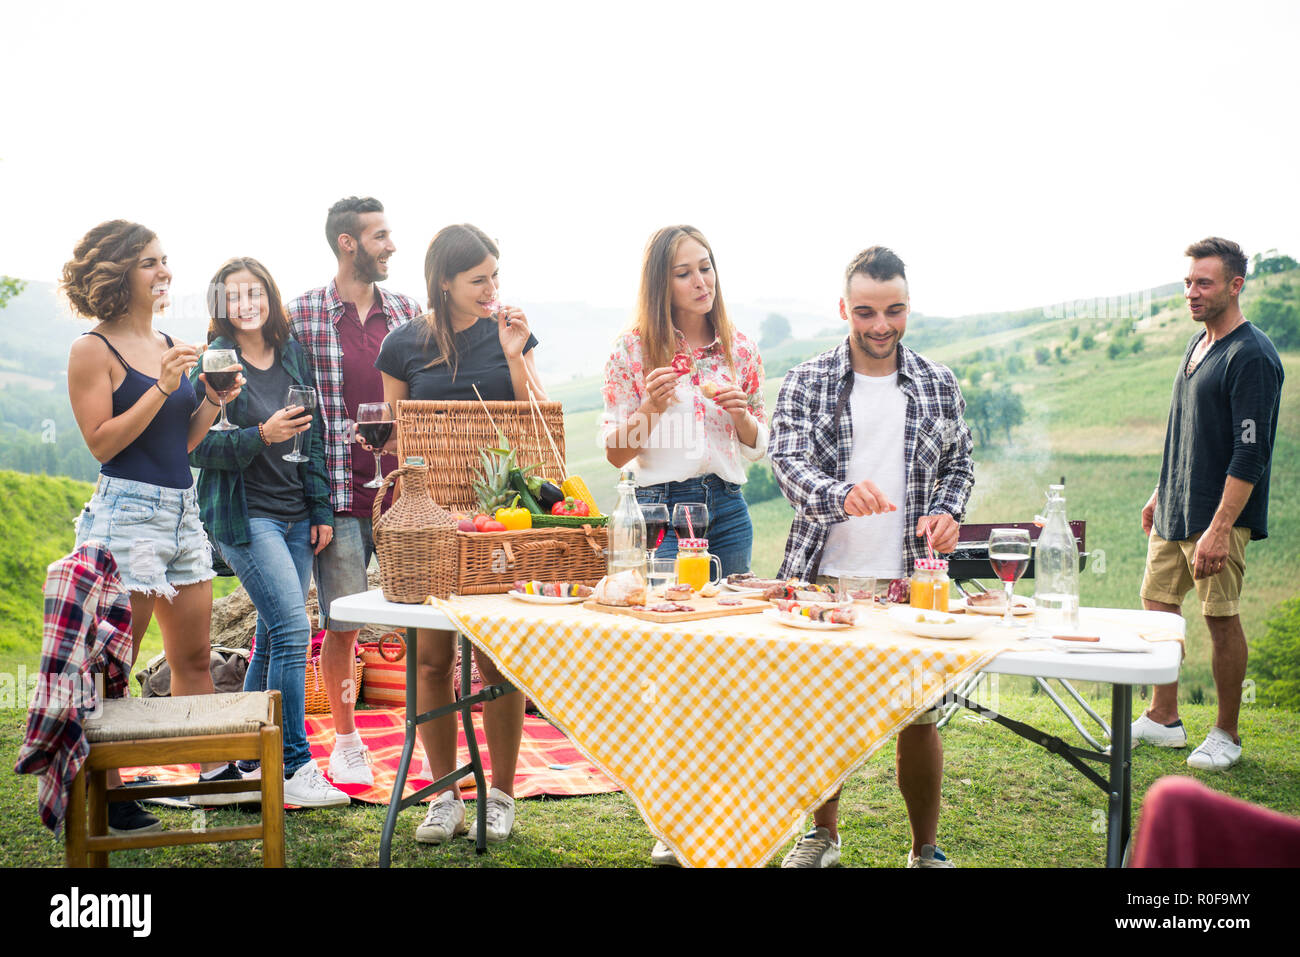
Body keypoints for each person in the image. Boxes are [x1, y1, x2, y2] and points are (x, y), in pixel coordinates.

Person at [769, 245, 974, 868]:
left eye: (894, 311)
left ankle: (924, 849)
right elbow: (785, 462)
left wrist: (948, 512)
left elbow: (960, 463)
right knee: (819, 711)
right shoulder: (807, 380)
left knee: (918, 717)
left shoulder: (939, 382)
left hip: (911, 579)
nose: (880, 325)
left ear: (908, 306)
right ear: (844, 309)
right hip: (823, 572)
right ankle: (823, 836)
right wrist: (839, 494)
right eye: (865, 312)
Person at [62, 220, 241, 834]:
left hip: (181, 511)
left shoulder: (169, 338)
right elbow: (102, 442)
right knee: (115, 662)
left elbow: (182, 442)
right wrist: (164, 384)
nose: (164, 272)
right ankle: (110, 792)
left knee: (192, 653)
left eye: (164, 261)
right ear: (116, 274)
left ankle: (215, 776)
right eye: (148, 263)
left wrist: (212, 400)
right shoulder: (93, 350)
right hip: (126, 514)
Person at [376, 223, 543, 845]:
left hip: (500, 516)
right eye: (479, 280)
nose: (492, 289)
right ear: (443, 282)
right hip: (425, 520)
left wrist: (512, 353)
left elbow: (535, 423)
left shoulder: (511, 335)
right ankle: (443, 795)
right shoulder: (402, 344)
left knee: (499, 660)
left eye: (495, 277)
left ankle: (500, 794)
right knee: (430, 660)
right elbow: (391, 431)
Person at [190, 257, 349, 807]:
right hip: (243, 516)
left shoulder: (292, 354)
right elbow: (198, 448)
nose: (246, 303)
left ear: (269, 295)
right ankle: (293, 764)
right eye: (234, 296)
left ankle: (246, 756)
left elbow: (316, 436)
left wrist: (322, 509)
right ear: (221, 306)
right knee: (291, 631)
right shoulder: (213, 365)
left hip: (295, 515)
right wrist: (262, 433)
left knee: (268, 637)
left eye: (254, 292)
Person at [1132, 237, 1284, 770]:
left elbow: (1251, 451)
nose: (1192, 293)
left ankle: (1226, 733)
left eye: (1205, 283)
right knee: (1158, 606)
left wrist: (1223, 526)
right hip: (1175, 506)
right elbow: (1187, 430)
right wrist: (1160, 489)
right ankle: (1163, 717)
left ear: (1235, 286)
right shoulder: (1198, 345)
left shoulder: (1253, 356)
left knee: (1219, 617)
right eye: (1188, 282)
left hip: (1218, 514)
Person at [287, 196, 423, 786]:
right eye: (380, 236)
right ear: (348, 242)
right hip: (338, 499)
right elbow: (293, 409)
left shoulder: (408, 313)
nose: (391, 245)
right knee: (342, 623)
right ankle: (346, 742)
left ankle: (426, 735)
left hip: (404, 500)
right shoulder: (302, 316)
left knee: (421, 621)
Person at [601, 225, 768, 576]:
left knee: (730, 620)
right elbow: (617, 454)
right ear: (661, 284)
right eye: (684, 273)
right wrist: (651, 409)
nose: (701, 281)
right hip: (661, 510)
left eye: (705, 268)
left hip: (728, 508)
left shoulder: (740, 348)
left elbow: (756, 449)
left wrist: (742, 418)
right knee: (668, 615)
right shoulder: (631, 351)